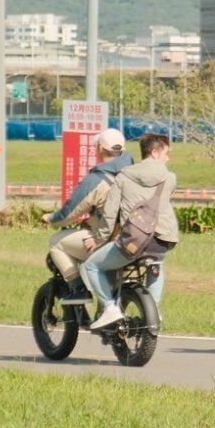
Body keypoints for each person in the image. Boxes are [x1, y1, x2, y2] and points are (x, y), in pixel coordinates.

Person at [81, 132, 178, 330]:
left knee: (91, 265)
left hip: (134, 242)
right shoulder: (169, 178)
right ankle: (153, 309)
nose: (168, 158)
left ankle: (109, 307)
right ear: (154, 152)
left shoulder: (124, 176)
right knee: (156, 262)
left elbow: (110, 213)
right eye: (166, 154)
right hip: (162, 241)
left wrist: (98, 239)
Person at [42, 129, 133, 304]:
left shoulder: (97, 179)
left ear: (100, 149)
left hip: (107, 239)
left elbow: (69, 212)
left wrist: (51, 218)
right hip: (134, 238)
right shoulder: (133, 172)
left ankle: (78, 289)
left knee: (56, 242)